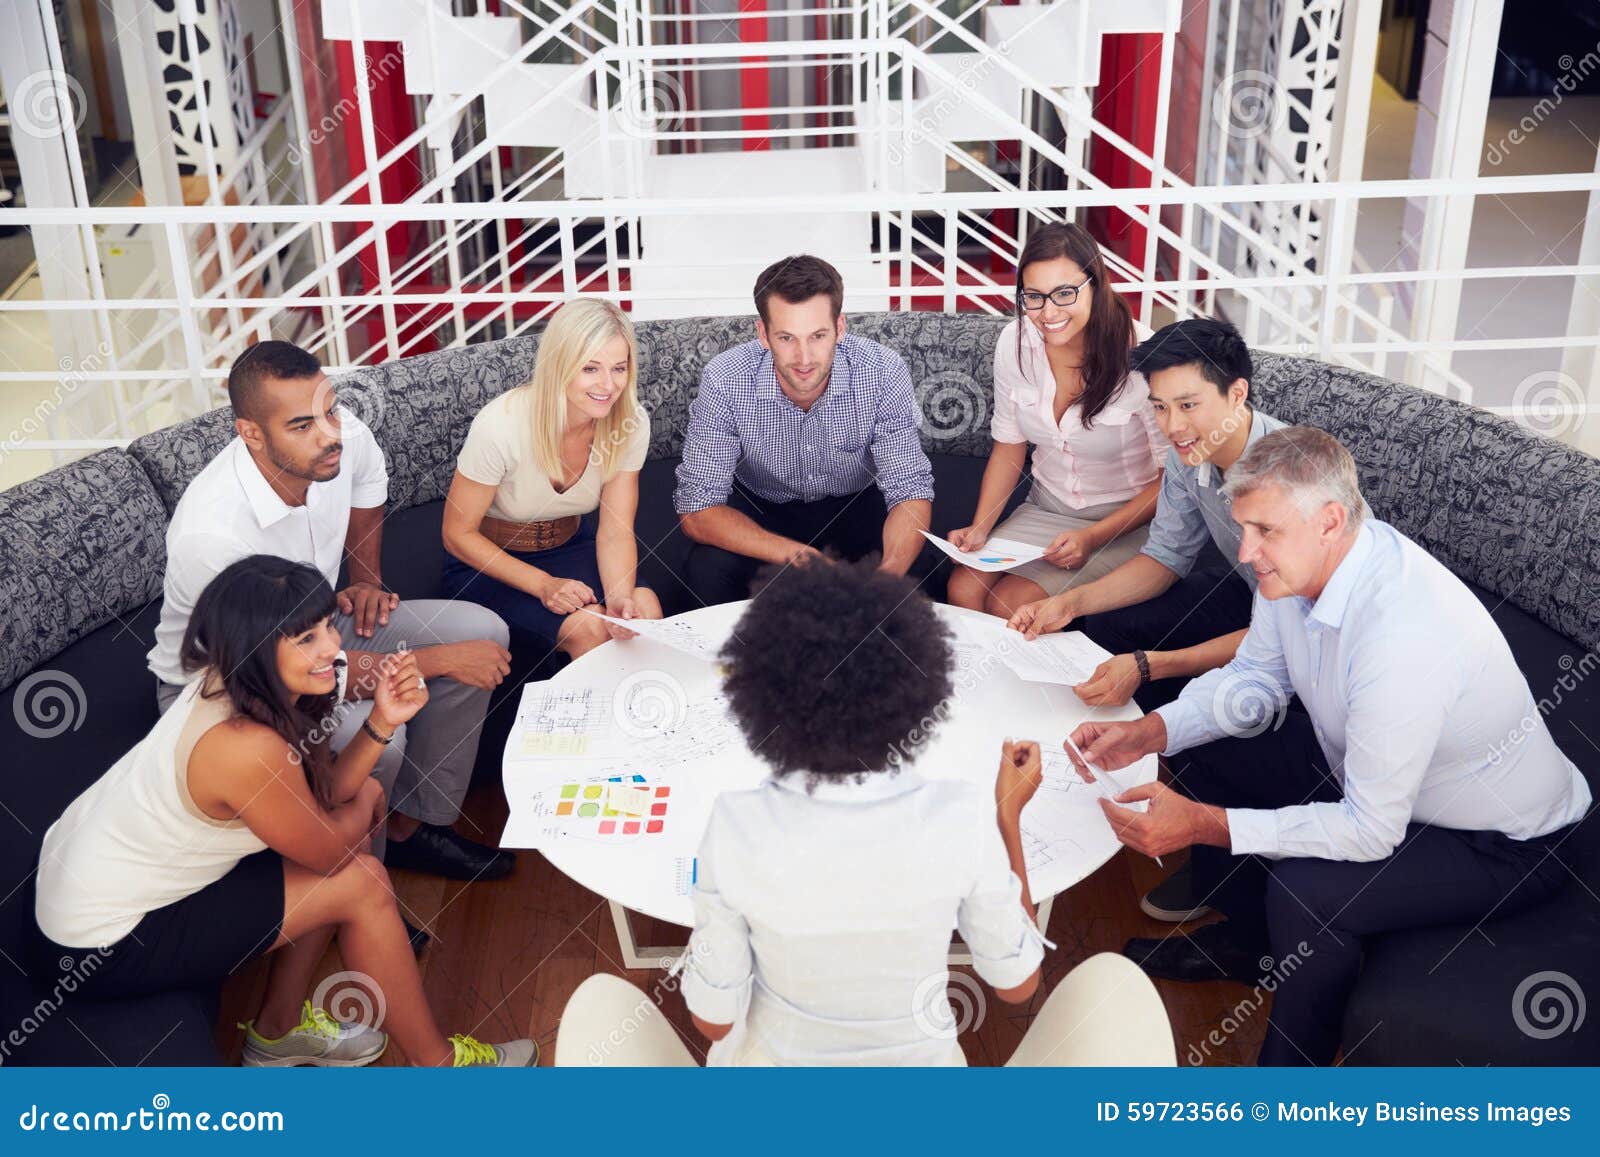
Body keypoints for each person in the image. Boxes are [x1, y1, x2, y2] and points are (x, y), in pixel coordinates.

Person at [1064, 427, 1591, 1067]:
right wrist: (1149, 732)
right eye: (1244, 528)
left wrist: (1203, 825)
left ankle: (1291, 1084)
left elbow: (1371, 831)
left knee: (1304, 894)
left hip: (1503, 842)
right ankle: (1248, 950)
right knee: (1220, 743)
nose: (1248, 551)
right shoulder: (1298, 571)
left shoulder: (1400, 640)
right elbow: (1253, 679)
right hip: (1378, 776)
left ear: (1330, 520)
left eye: (1265, 532)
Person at [549, 560, 1176, 1067]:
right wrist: (1005, 820)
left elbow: (712, 1019)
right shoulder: (959, 817)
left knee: (600, 1009)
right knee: (1115, 991)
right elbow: (1015, 986)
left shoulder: (737, 824)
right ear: (915, 705)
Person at [36, 556, 536, 1067]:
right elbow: (330, 849)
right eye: (306, 639)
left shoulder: (258, 684)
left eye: (325, 627)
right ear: (254, 647)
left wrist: (382, 722)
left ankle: (276, 1034)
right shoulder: (242, 745)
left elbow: (327, 798)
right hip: (99, 943)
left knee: (355, 840)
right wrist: (368, 799)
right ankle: (439, 1067)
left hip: (108, 886)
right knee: (361, 881)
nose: (333, 649)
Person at [149, 341, 515, 886]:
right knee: (379, 746)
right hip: (231, 686)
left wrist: (365, 578)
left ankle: (411, 828)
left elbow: (368, 477)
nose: (329, 433)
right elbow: (274, 670)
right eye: (301, 425)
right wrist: (438, 661)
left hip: (315, 632)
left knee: (484, 629)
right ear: (251, 433)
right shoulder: (214, 534)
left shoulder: (340, 437)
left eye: (330, 410)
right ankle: (358, 888)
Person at [674, 255, 937, 605]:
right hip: (764, 514)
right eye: (786, 337)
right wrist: (803, 558)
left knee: (923, 564)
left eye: (818, 336)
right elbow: (697, 509)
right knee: (707, 567)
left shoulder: (883, 370)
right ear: (763, 334)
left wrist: (885, 581)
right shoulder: (725, 378)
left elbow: (908, 489)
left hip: (856, 507)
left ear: (840, 329)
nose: (803, 358)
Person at [946, 222, 1164, 619]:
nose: (1048, 313)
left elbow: (1172, 479)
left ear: (1095, 284)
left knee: (1009, 605)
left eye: (1065, 294)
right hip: (1046, 508)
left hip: (1126, 521)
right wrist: (980, 528)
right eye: (1034, 296)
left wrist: (1091, 537)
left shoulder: (1143, 355)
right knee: (962, 588)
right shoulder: (1014, 344)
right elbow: (1010, 446)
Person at [442, 298, 662, 660]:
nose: (608, 385)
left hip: (572, 545)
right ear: (559, 365)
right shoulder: (500, 424)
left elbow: (615, 531)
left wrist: (620, 599)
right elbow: (456, 534)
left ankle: (653, 716)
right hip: (491, 561)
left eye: (619, 368)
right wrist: (544, 584)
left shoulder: (630, 421)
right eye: (590, 369)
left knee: (643, 610)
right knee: (589, 627)